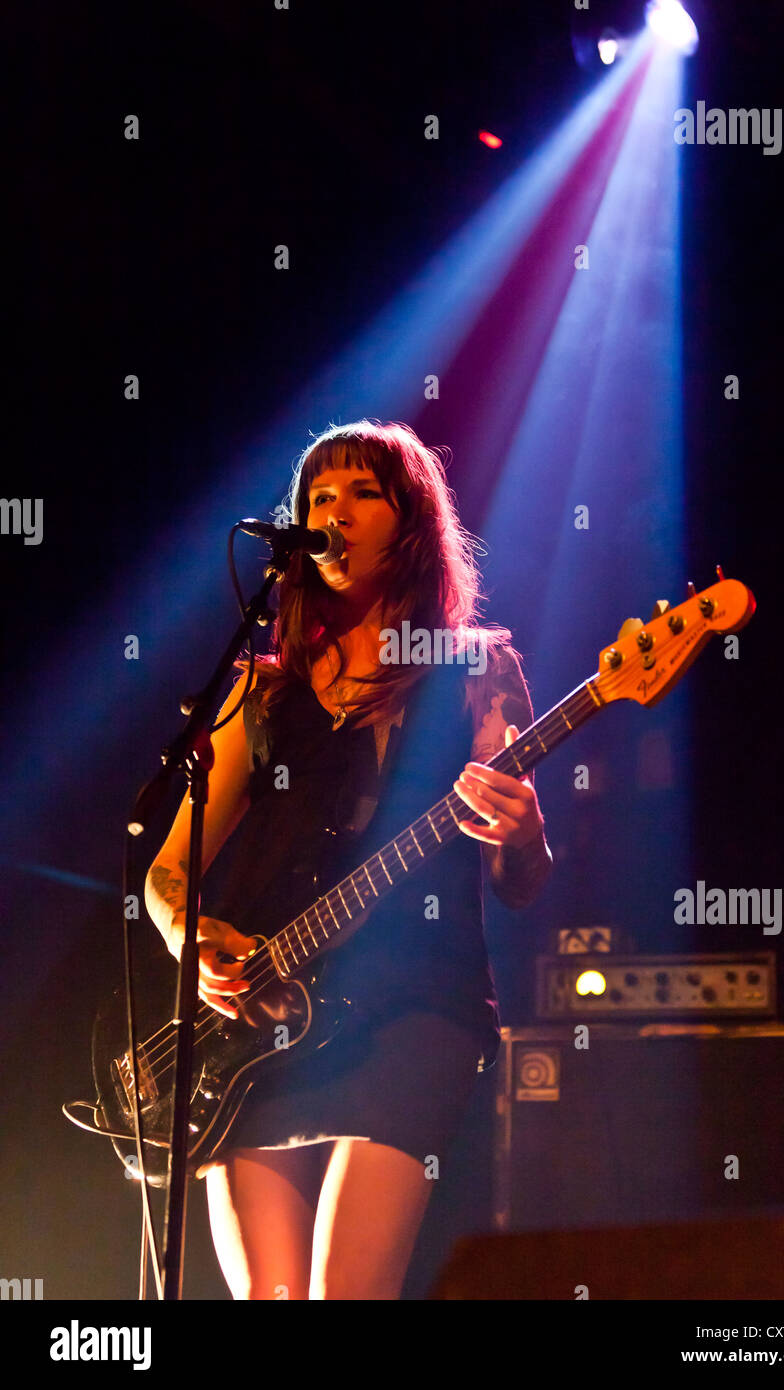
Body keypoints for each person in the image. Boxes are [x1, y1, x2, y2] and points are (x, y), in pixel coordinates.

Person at [144, 419, 553, 1299]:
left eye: (363, 492)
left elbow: (519, 882)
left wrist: (521, 832)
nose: (335, 510)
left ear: (411, 522)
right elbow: (168, 871)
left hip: (416, 1001)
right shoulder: (261, 687)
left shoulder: (475, 668)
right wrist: (191, 936)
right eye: (318, 496)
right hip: (262, 1015)